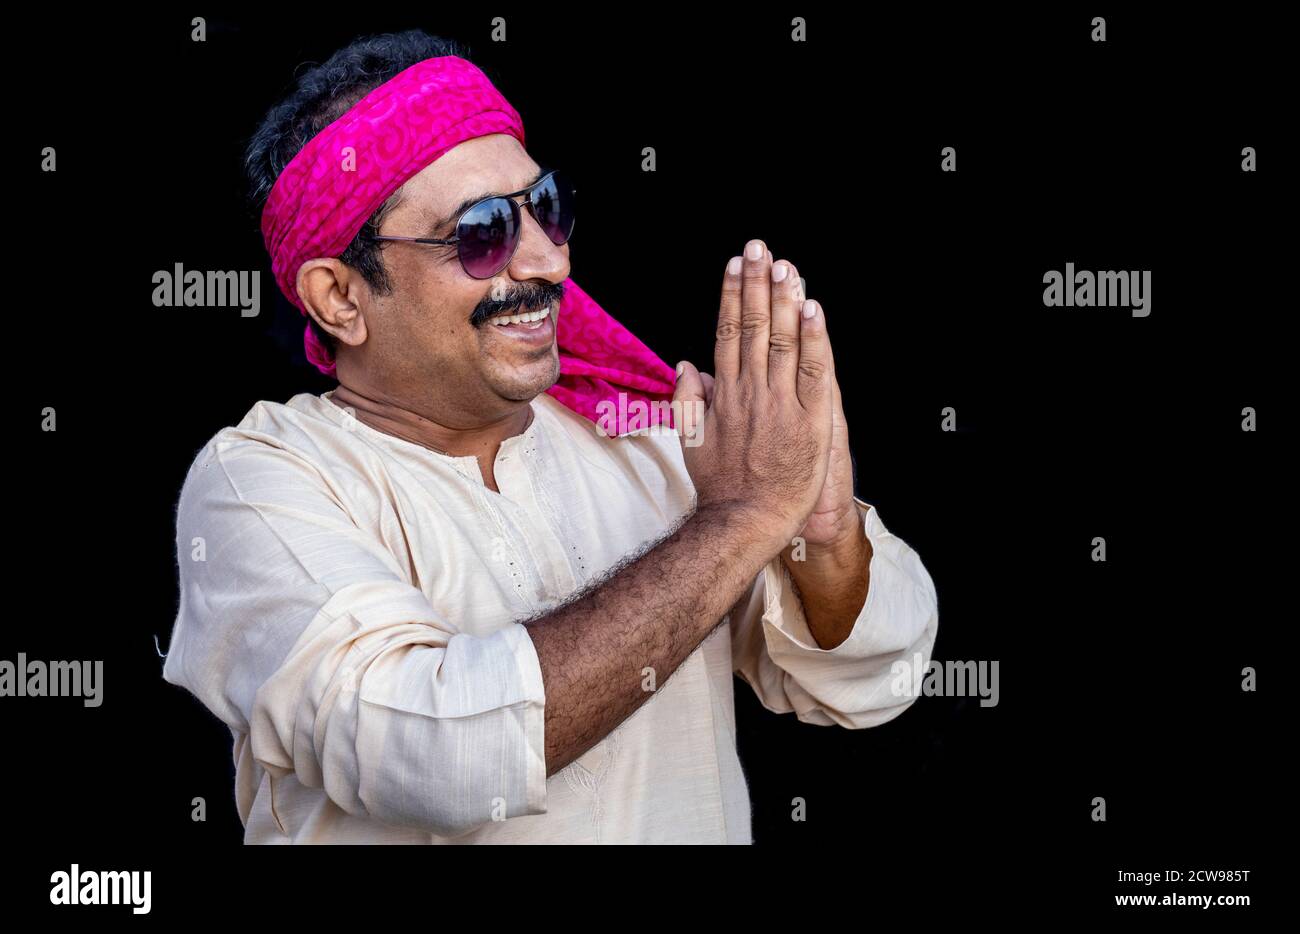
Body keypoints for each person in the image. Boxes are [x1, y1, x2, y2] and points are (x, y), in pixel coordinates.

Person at [162, 29, 939, 844]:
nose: (549, 263)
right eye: (483, 232)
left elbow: (868, 678)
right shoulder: (264, 483)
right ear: (340, 298)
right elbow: (434, 751)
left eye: (549, 209)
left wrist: (820, 526)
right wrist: (741, 521)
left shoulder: (650, 438)